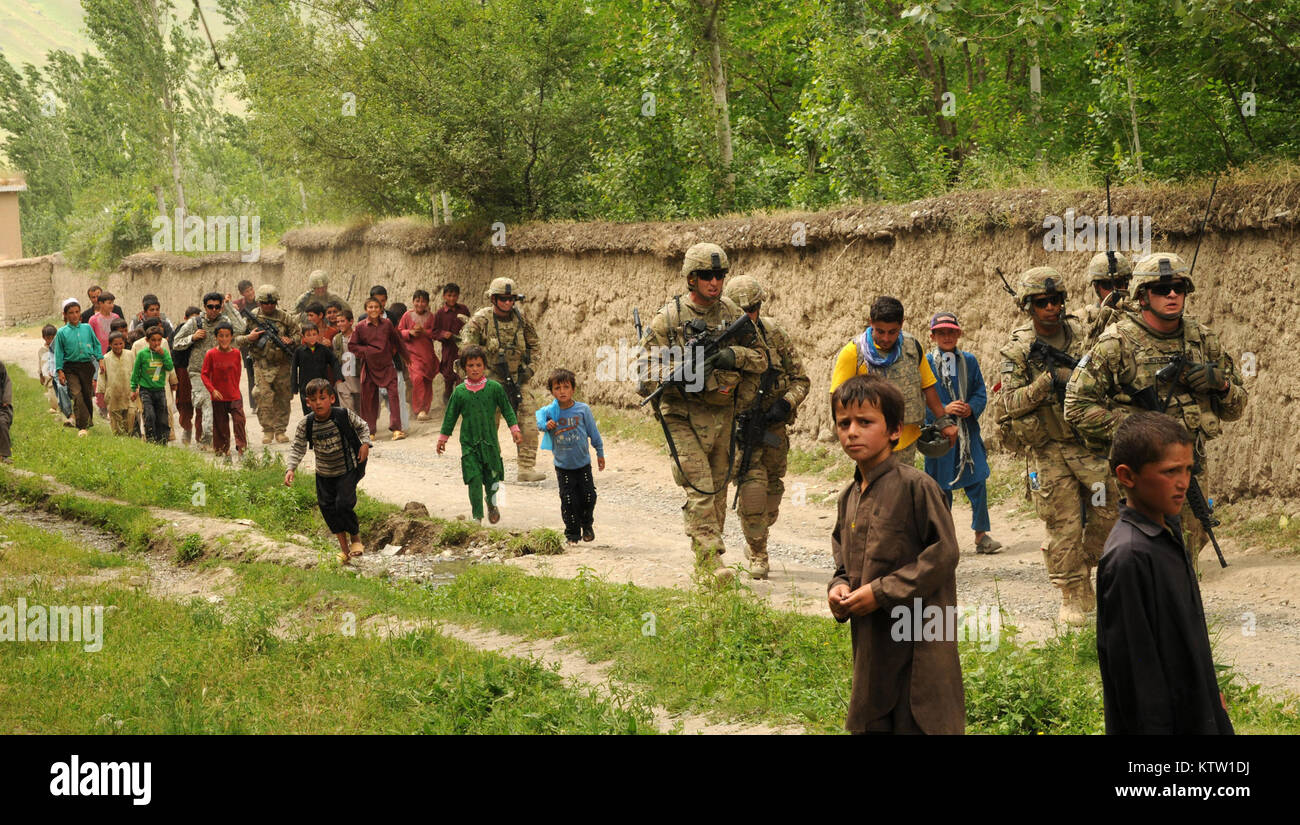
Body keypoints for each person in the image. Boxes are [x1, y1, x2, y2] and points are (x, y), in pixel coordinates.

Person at [1066, 252, 1248, 574]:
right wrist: (1136, 429)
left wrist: (1219, 386)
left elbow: (1236, 408)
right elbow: (1076, 405)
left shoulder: (1203, 340)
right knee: (1145, 547)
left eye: (1179, 288)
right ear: (1142, 296)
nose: (1173, 295)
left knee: (1190, 543)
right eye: (1163, 289)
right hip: (1142, 472)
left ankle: (1180, 612)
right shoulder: (1116, 342)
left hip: (1190, 467)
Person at [827, 374, 964, 735]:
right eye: (844, 423)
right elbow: (842, 556)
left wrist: (882, 592)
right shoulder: (849, 496)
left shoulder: (916, 486)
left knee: (919, 716)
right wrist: (839, 586)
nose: (852, 432)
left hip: (921, 638)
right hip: (874, 640)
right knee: (874, 712)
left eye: (865, 422)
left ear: (895, 431)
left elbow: (945, 552)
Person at [635, 243, 769, 583]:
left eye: (720, 275)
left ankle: (706, 564)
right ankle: (711, 561)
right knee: (699, 485)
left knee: (718, 490)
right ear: (691, 278)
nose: (715, 282)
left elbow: (761, 360)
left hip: (722, 412)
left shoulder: (731, 314)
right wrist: (677, 372)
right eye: (707, 276)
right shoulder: (669, 318)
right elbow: (643, 372)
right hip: (681, 414)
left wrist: (731, 356)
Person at [1096, 411, 1233, 735]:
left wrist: (1210, 696)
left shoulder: (1164, 537)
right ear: (1127, 476)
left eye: (1188, 470)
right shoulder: (1129, 557)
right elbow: (1135, 675)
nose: (1183, 482)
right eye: (1170, 472)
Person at [996, 267, 1117, 625]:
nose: (1051, 307)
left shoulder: (1082, 335)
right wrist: (1047, 382)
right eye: (1042, 302)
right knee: (1062, 525)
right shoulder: (1017, 348)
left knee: (1108, 515)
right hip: (1048, 449)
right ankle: (1070, 594)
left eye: (1056, 300)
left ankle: (1087, 575)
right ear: (1027, 306)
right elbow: (1011, 403)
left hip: (1088, 444)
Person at [722, 275, 810, 580]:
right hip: (742, 433)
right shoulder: (723, 342)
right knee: (753, 493)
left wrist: (785, 403)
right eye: (742, 309)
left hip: (773, 431)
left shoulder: (775, 335)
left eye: (754, 308)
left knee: (771, 496)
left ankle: (754, 529)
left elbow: (802, 380)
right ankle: (758, 552)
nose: (749, 315)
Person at [830, 296, 958, 467]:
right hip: (872, 443)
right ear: (871, 323)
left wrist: (943, 421)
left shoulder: (911, 347)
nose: (886, 338)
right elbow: (837, 400)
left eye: (893, 332)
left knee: (903, 491)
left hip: (906, 440)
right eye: (880, 331)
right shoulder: (854, 353)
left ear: (902, 324)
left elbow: (927, 386)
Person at [923, 312, 1000, 554]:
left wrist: (970, 408)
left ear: (959, 334)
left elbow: (980, 392)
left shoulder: (969, 361)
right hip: (940, 436)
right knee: (940, 488)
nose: (946, 337)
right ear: (932, 336)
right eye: (941, 332)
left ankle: (981, 535)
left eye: (951, 332)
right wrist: (942, 411)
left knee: (978, 481)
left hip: (967, 433)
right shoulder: (925, 364)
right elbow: (920, 398)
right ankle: (943, 539)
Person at [284, 379, 372, 565]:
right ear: (307, 402)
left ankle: (356, 540)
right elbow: (297, 447)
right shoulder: (306, 424)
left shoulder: (343, 415)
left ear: (331, 399)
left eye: (322, 398)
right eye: (313, 399)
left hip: (347, 468)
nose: (318, 403)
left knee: (343, 504)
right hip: (324, 474)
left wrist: (365, 444)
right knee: (328, 510)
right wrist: (291, 468)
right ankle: (344, 551)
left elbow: (363, 426)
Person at [438, 346, 522, 524]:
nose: (474, 369)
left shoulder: (494, 388)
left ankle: (492, 504)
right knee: (474, 479)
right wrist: (443, 439)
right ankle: (477, 516)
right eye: (470, 365)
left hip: (490, 442)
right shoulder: (459, 392)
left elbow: (507, 408)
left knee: (492, 477)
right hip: (469, 444)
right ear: (464, 368)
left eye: (478, 364)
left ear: (484, 366)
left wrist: (514, 429)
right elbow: (450, 417)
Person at [535, 368, 605, 544]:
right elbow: (539, 421)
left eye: (566, 387)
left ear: (573, 389)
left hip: (583, 463)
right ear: (552, 391)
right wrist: (546, 424)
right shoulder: (550, 411)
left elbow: (593, 433)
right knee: (568, 501)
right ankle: (572, 535)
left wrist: (600, 452)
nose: (562, 391)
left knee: (589, 496)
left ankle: (586, 524)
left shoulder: (583, 410)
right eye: (557, 388)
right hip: (563, 466)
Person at [235, 285, 301, 444]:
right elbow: (236, 339)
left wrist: (291, 341)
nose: (269, 306)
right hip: (261, 364)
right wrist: (249, 338)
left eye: (272, 303)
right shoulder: (251, 317)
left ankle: (280, 430)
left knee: (283, 397)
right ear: (259, 303)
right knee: (262, 395)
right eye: (265, 303)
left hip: (282, 363)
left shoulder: (285, 317)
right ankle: (268, 430)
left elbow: (298, 334)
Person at [349, 296, 406, 440]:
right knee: (369, 398)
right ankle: (370, 431)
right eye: (370, 307)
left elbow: (396, 340)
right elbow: (352, 346)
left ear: (381, 309)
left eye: (376, 307)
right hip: (369, 366)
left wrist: (403, 355)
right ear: (365, 309)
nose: (373, 310)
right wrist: (367, 352)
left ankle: (396, 429)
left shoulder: (387, 324)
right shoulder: (360, 327)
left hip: (387, 365)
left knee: (394, 395)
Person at [53, 298, 103, 436]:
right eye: (71, 313)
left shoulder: (87, 328)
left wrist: (100, 360)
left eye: (77, 312)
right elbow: (59, 353)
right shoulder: (62, 332)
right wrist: (60, 370)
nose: (74, 315)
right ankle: (82, 425)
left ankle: (85, 422)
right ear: (65, 315)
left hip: (87, 366)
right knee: (76, 394)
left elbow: (96, 344)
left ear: (80, 313)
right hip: (70, 368)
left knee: (87, 394)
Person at [201, 322, 248, 460]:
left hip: (234, 395)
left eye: (227, 336)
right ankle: (224, 450)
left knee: (239, 421)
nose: (224, 339)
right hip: (218, 396)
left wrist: (234, 388)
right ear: (216, 337)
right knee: (221, 424)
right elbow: (204, 374)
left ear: (231, 337)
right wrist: (212, 390)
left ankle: (241, 449)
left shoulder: (236, 353)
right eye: (221, 336)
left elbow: (237, 373)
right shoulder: (211, 354)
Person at [1080, 250, 1135, 348]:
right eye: (1107, 285)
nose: (1114, 290)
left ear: (1126, 284)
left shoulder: (1137, 316)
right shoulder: (1083, 321)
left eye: (1118, 283)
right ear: (1096, 287)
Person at [398, 289, 438, 420]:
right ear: (413, 301)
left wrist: (424, 332)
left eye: (423, 301)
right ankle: (418, 409)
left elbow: (434, 333)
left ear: (427, 303)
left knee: (427, 381)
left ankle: (425, 410)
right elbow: (399, 332)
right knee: (417, 379)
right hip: (413, 354)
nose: (420, 304)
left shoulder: (431, 317)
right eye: (417, 301)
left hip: (427, 354)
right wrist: (409, 333)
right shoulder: (407, 316)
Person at [131, 326, 174, 444]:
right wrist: (133, 389)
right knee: (149, 415)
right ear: (147, 340)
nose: (156, 343)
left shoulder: (164, 352)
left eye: (159, 340)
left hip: (160, 390)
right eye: (153, 340)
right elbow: (135, 372)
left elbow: (169, 367)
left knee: (163, 417)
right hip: (146, 390)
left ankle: (162, 441)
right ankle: (151, 440)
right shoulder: (142, 354)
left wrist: (163, 355)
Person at [291, 325, 341, 415]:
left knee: (325, 411)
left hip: (322, 385)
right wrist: (294, 386)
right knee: (309, 412)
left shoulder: (324, 349)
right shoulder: (299, 351)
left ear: (318, 335)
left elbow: (334, 361)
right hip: (305, 387)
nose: (312, 337)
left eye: (314, 334)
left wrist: (338, 377)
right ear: (303, 337)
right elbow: (294, 368)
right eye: (308, 335)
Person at [433, 283, 469, 403]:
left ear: (458, 296)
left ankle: (459, 401)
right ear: (444, 296)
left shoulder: (463, 309)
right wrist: (443, 334)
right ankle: (447, 397)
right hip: (448, 350)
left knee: (461, 375)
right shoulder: (440, 313)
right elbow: (434, 332)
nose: (452, 298)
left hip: (462, 349)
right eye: (449, 295)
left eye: (454, 295)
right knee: (449, 376)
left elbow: (469, 324)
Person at [170, 306, 202, 445]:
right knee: (184, 402)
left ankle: (201, 434)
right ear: (185, 319)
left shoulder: (204, 330)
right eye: (191, 319)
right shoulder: (180, 331)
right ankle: (187, 428)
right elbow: (175, 350)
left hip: (201, 371)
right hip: (184, 370)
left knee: (202, 402)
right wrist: (192, 338)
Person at [102, 332, 136, 436]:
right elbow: (102, 376)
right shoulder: (106, 358)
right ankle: (118, 437)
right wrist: (102, 391)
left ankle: (129, 435)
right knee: (115, 417)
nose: (118, 346)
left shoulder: (130, 354)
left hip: (129, 390)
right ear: (110, 345)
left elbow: (136, 371)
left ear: (124, 343)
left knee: (131, 414)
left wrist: (137, 388)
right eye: (115, 344)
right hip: (113, 393)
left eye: (120, 343)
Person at [232, 279, 258, 411]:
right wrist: (232, 308)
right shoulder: (238, 305)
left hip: (260, 340)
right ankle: (254, 405)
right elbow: (227, 310)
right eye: (247, 291)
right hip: (246, 344)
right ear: (242, 294)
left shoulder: (260, 302)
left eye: (251, 289)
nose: (250, 293)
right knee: (251, 373)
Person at [332, 308, 362, 413]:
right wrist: (338, 378)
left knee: (360, 408)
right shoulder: (337, 339)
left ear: (351, 322)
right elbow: (335, 360)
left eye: (342, 321)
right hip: (343, 379)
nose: (339, 324)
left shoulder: (358, 337)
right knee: (347, 409)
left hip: (357, 376)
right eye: (338, 322)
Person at [38, 324, 62, 417]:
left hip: (56, 375)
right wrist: (40, 375)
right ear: (44, 337)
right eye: (48, 338)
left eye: (53, 338)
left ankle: (61, 409)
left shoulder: (58, 349)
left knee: (59, 393)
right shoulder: (41, 350)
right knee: (51, 394)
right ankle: (54, 407)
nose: (51, 340)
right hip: (47, 377)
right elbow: (40, 363)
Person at [0, 360, 11, 463]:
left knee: (2, 422)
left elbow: (7, 383)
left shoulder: (0, 366)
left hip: (2, 406)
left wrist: (6, 400)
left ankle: (4, 455)